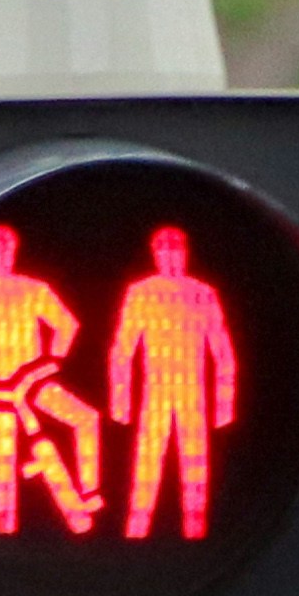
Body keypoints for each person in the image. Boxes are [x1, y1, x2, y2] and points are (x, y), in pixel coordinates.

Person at [0, 224, 104, 535]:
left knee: (86, 419)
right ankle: (5, 526)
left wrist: (50, 361)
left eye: (3, 250)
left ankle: (88, 491)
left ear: (11, 253)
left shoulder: (32, 289)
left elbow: (66, 324)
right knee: (2, 462)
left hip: (35, 383)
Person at [108, 226, 239, 543]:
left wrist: (223, 406)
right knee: (148, 460)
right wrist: (120, 403)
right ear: (155, 254)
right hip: (156, 389)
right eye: (164, 250)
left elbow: (222, 351)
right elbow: (122, 350)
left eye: (176, 250)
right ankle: (138, 525)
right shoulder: (141, 293)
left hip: (192, 390)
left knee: (194, 461)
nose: (170, 256)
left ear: (184, 253)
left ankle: (194, 527)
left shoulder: (202, 294)